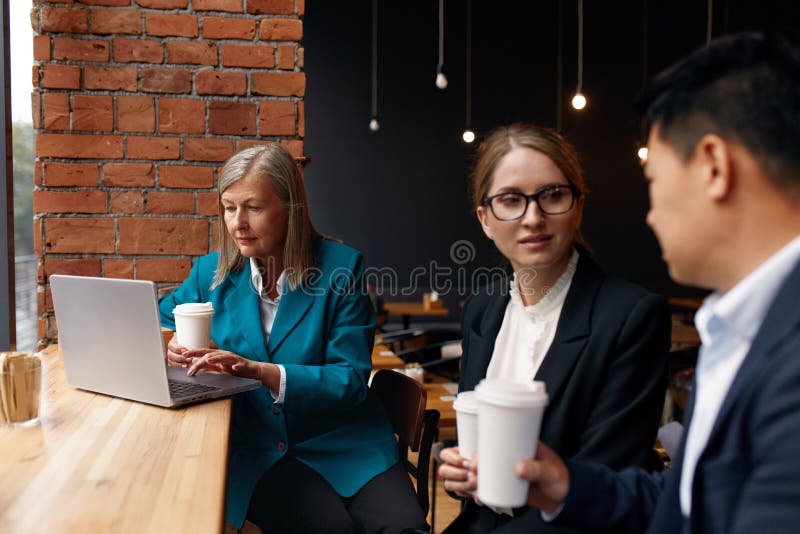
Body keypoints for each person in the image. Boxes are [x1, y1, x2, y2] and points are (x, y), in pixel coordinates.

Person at [516, 33, 800, 533]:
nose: (651, 216)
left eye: (655, 179)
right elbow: (693, 498)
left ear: (714, 166)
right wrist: (567, 485)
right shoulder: (738, 327)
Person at [159, 144, 427, 533]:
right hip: (259, 450)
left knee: (406, 529)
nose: (237, 223)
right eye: (229, 207)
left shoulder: (342, 270)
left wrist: (263, 372)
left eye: (253, 207)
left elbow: (350, 380)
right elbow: (164, 318)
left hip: (346, 441)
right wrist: (169, 342)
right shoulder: (210, 274)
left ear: (291, 209)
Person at [437, 123, 671, 533]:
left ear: (578, 206)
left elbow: (601, 488)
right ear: (485, 219)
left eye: (553, 196)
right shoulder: (481, 310)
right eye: (511, 200)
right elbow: (479, 453)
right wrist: (462, 475)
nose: (533, 218)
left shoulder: (632, 317)